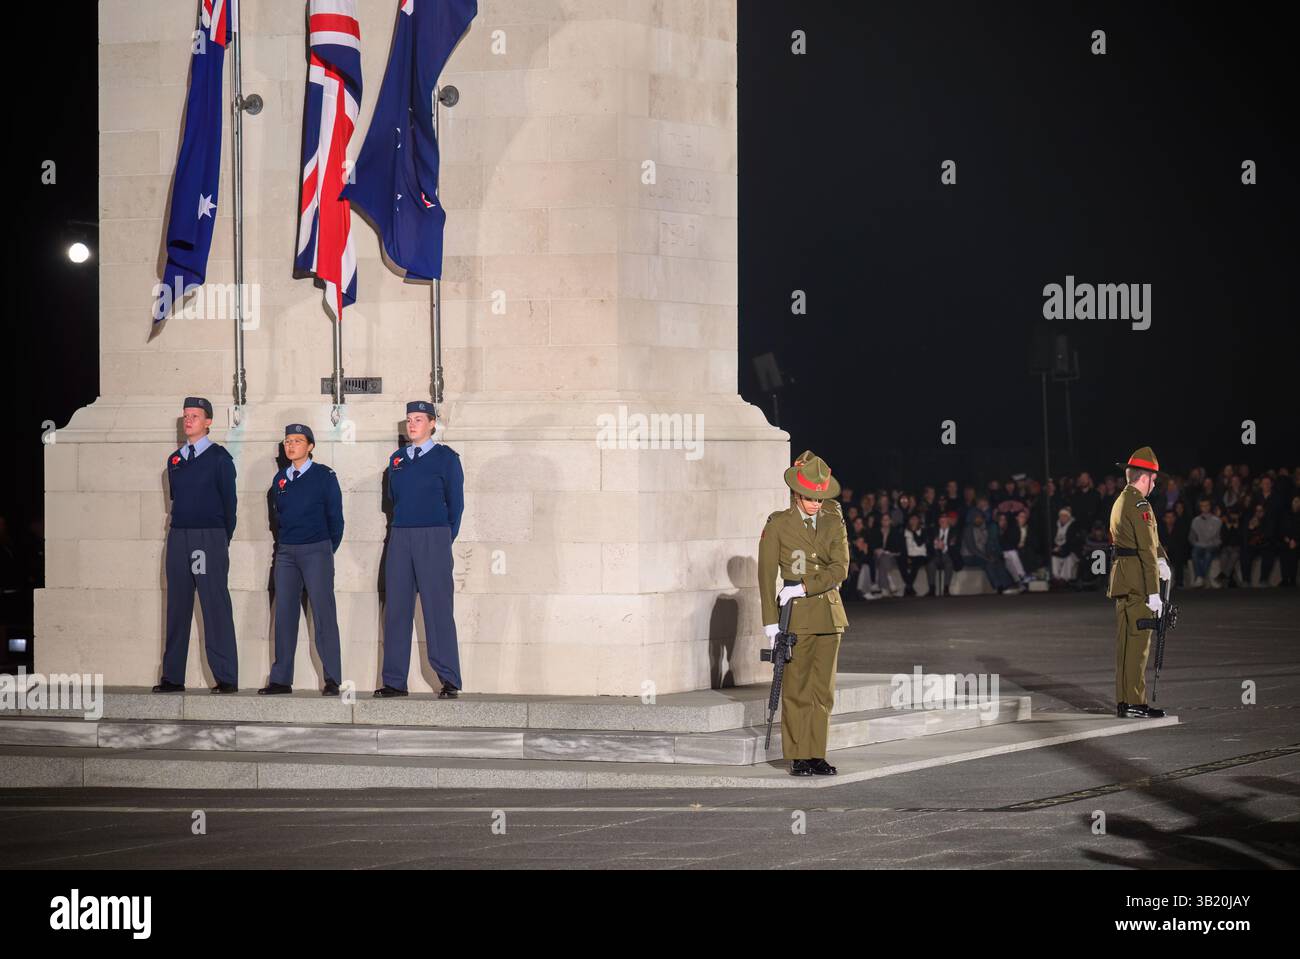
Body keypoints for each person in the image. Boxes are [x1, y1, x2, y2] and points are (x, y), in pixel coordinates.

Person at [757, 452, 849, 777]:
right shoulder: (779, 523)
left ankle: (816, 753)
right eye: (810, 497)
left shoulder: (833, 518)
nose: (815, 504)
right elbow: (766, 574)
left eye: (820, 498)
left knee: (822, 691)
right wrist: (770, 620)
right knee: (796, 689)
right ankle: (798, 755)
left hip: (827, 614)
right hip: (794, 617)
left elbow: (840, 567)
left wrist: (804, 587)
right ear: (797, 493)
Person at [375, 401, 465, 698]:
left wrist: (441, 539)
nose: (411, 425)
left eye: (418, 420)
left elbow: (456, 504)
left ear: (432, 425)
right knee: (397, 609)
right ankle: (394, 682)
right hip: (400, 536)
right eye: (409, 420)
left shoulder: (446, 458)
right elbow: (392, 499)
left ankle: (449, 679)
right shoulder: (397, 459)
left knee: (437, 608)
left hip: (434, 536)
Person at [155, 397, 239, 694]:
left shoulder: (219, 458)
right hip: (179, 537)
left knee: (213, 604)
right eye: (186, 415)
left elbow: (230, 505)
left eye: (195, 416)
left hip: (208, 537)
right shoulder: (175, 460)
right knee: (177, 605)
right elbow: (176, 500)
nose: (188, 420)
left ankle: (226, 676)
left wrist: (218, 540)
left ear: (208, 422)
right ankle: (172, 677)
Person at [260, 424, 345, 696]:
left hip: (317, 550)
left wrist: (325, 549)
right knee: (284, 615)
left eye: (297, 440)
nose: (291, 445)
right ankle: (281, 679)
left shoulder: (324, 476)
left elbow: (336, 519)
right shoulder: (280, 479)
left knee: (323, 615)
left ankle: (332, 679)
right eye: (287, 440)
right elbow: (277, 518)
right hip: (286, 552)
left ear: (310, 446)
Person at [1107, 447, 1172, 719]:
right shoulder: (1140, 504)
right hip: (1138, 581)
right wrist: (1154, 591)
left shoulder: (1121, 500)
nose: (1154, 485)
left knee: (1125, 644)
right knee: (1138, 644)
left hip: (1123, 578)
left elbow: (1144, 545)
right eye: (1154, 479)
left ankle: (1125, 701)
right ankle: (1136, 702)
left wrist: (1161, 558)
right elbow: (1146, 548)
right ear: (1144, 477)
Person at [960, 512, 1018, 594]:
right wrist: (986, 557)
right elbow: (972, 548)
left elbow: (987, 545)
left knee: (997, 561)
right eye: (977, 517)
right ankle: (998, 586)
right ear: (973, 518)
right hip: (969, 557)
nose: (979, 519)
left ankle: (1008, 584)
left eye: (981, 518)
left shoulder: (983, 529)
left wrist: (991, 555)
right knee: (988, 563)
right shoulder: (968, 528)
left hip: (980, 556)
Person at [1188, 497, 1222, 588]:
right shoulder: (1195, 521)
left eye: (1206, 506)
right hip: (1199, 545)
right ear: (1200, 507)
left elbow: (1215, 537)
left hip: (1213, 545)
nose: (1205, 508)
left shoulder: (1217, 520)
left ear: (1210, 507)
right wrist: (1196, 543)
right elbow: (1192, 537)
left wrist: (1206, 542)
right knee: (1195, 553)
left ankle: (1200, 577)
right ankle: (1200, 578)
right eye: (1202, 506)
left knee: (1208, 553)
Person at [926, 512, 958, 596]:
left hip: (948, 555)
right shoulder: (933, 531)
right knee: (930, 565)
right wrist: (935, 545)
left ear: (948, 521)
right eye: (940, 521)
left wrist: (944, 547)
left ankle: (946, 589)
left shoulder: (954, 531)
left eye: (944, 521)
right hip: (936, 554)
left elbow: (955, 547)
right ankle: (932, 589)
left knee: (949, 564)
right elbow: (928, 545)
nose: (942, 523)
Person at [1050, 507, 1083, 585]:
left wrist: (1062, 548)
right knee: (1053, 558)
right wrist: (1055, 547)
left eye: (1065, 516)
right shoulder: (1055, 526)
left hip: (1070, 551)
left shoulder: (1074, 526)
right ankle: (1056, 578)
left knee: (1069, 558)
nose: (1062, 517)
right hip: (1057, 551)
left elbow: (1073, 541)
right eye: (1061, 515)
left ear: (1069, 517)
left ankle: (1064, 579)